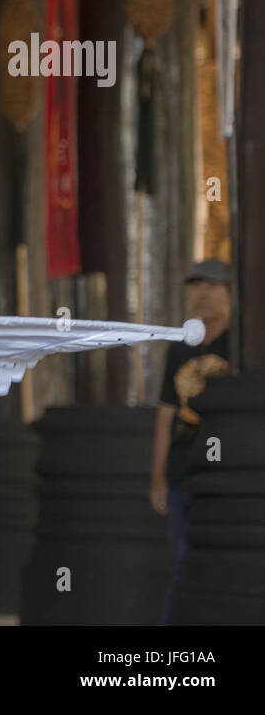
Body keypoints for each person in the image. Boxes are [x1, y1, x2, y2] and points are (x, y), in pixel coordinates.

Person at [149, 258, 232, 624]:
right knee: (181, 559)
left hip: (233, 470)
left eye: (212, 287)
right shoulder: (181, 347)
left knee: (230, 556)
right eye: (196, 287)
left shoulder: (244, 340)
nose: (202, 295)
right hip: (185, 466)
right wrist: (158, 476)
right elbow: (166, 412)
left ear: (231, 292)